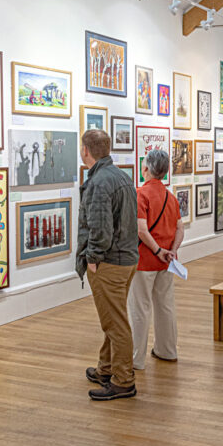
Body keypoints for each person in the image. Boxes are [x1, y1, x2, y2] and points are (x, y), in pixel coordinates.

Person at [77, 129, 139, 401]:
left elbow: (100, 228)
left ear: (86, 151)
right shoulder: (120, 177)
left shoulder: (100, 181)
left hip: (109, 262)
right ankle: (107, 368)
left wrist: (92, 258)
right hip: (126, 259)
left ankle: (124, 380)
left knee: (115, 323)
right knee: (112, 318)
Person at [129, 149, 184, 370]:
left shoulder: (140, 194)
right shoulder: (170, 197)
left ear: (146, 169)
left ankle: (136, 358)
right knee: (165, 305)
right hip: (166, 261)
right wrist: (170, 251)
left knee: (140, 308)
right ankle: (167, 349)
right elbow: (180, 229)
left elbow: (141, 230)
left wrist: (157, 249)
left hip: (145, 259)